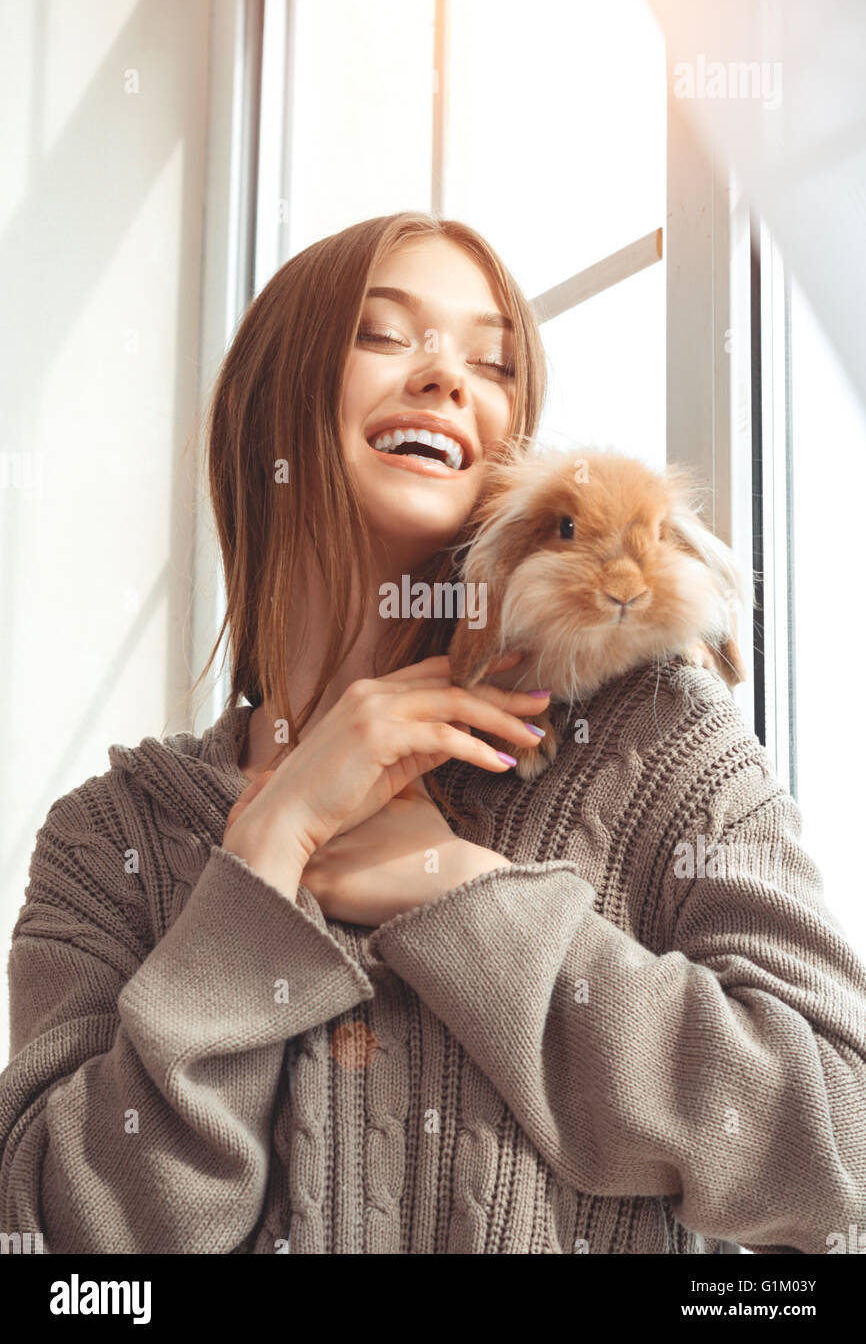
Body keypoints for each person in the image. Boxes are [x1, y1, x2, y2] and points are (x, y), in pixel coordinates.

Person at [1, 211, 864, 1255]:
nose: (446, 378)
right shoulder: (109, 844)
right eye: (382, 334)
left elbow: (838, 1150)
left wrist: (450, 884)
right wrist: (265, 858)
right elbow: (55, 1248)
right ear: (266, 404)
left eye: (491, 361)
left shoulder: (660, 740)